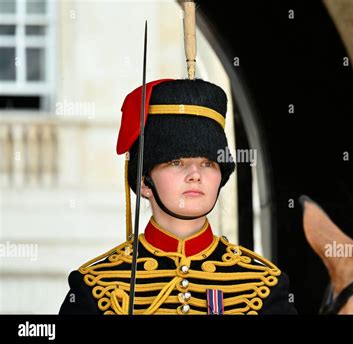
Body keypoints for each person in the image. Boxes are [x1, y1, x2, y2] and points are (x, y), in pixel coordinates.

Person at [59, 78, 297, 315]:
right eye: (176, 162)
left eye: (207, 163)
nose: (195, 175)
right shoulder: (94, 287)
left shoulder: (265, 287)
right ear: (144, 182)